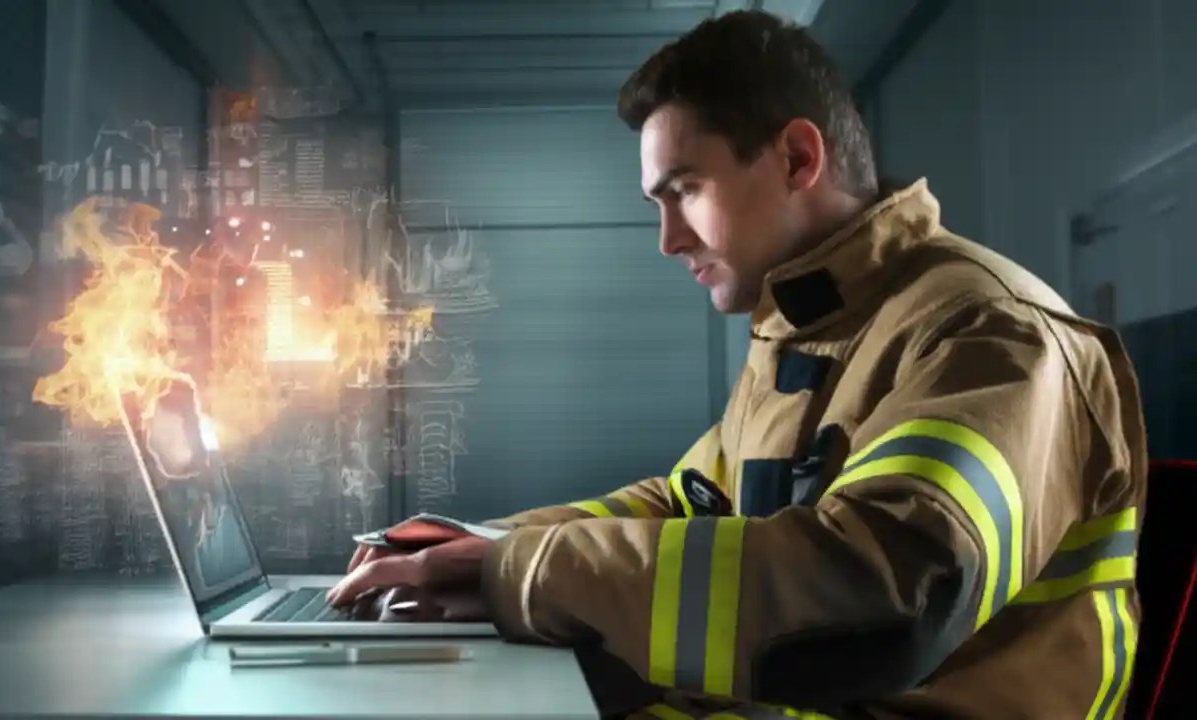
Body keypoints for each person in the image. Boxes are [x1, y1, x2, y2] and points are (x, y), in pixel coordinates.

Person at [327, 10, 1147, 720]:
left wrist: (523, 577)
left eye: (683, 189)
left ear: (796, 158)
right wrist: (480, 545)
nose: (668, 239)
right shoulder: (809, 324)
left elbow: (882, 598)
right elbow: (684, 504)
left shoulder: (988, 333)